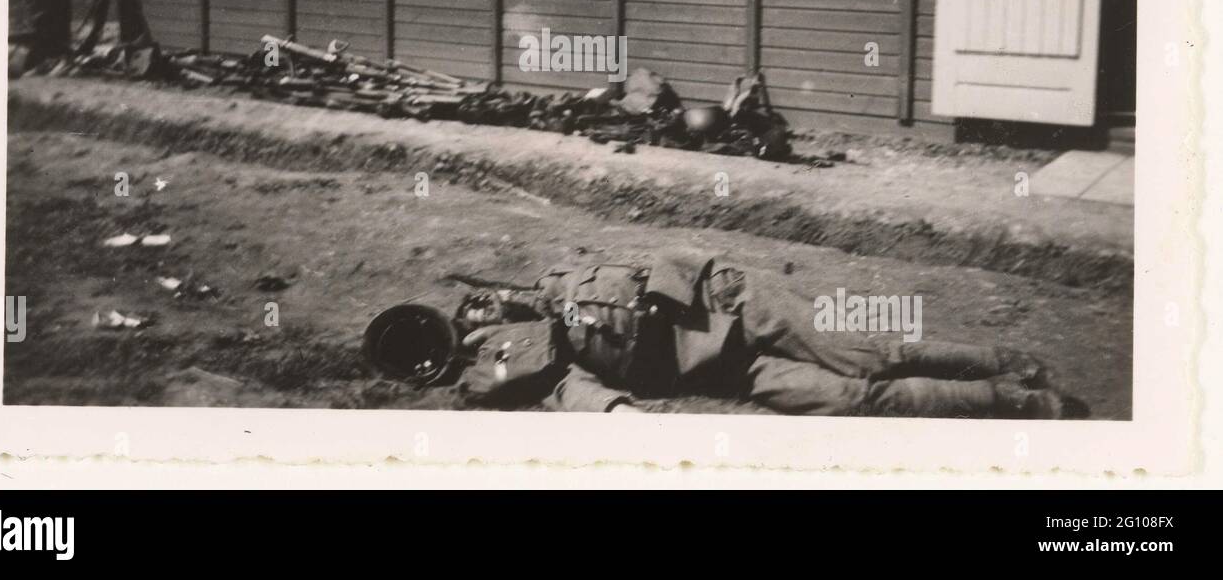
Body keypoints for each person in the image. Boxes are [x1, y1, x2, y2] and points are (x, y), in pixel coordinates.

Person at [453, 250, 1084, 418]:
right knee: (855, 400)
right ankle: (1012, 401)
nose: (486, 309)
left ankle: (1000, 359)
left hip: (733, 300)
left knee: (869, 354)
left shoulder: (557, 281)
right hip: (721, 368)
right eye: (476, 319)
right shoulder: (547, 367)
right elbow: (593, 399)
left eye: (481, 301)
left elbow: (652, 269)